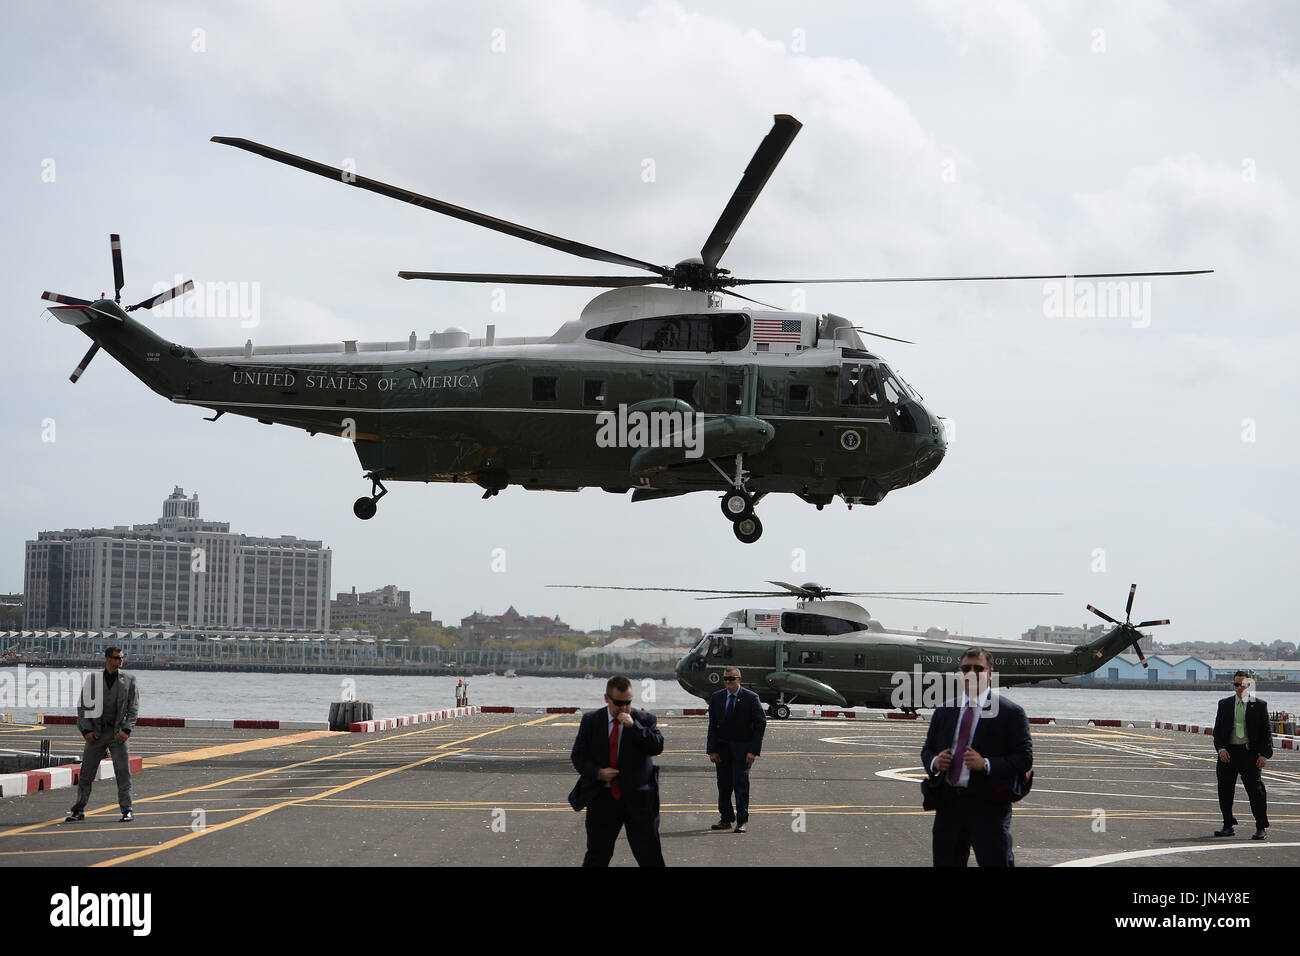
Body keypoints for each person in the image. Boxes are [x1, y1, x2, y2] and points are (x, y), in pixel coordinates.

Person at [920, 647, 1033, 867]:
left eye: (978, 669)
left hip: (988, 806)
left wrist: (986, 764)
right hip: (949, 805)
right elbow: (927, 750)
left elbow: (1024, 758)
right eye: (966, 668)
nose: (971, 673)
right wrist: (935, 762)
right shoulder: (944, 711)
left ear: (990, 673)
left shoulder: (1010, 713)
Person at [569, 675, 665, 866]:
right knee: (597, 854)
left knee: (649, 855)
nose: (623, 708)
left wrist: (634, 727)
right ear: (607, 699)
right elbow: (578, 756)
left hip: (638, 800)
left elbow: (657, 747)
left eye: (628, 702)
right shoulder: (591, 721)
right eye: (618, 703)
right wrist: (598, 772)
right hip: (603, 799)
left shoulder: (644, 719)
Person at [65, 646, 139, 823]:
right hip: (96, 733)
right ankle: (79, 809)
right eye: (117, 657)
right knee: (86, 773)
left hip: (118, 733)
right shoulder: (93, 679)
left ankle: (127, 809)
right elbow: (83, 707)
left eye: (122, 657)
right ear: (107, 658)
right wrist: (86, 731)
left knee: (123, 772)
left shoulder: (129, 680)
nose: (121, 660)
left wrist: (127, 730)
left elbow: (133, 708)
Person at [1212, 671, 1272, 839]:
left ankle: (1261, 827)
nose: (1238, 688)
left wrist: (1264, 755)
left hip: (1249, 754)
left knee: (1256, 791)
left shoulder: (1259, 705)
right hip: (1228, 754)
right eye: (1235, 685)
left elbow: (1266, 733)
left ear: (1248, 685)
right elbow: (1217, 732)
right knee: (1224, 791)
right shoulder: (1224, 704)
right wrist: (1221, 749)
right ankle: (1227, 824)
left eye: (1241, 685)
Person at [706, 666, 766, 833]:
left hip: (743, 750)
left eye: (731, 679)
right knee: (723, 786)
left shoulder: (751, 698)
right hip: (722, 750)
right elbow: (712, 726)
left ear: (739, 679)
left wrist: (753, 751)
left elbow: (760, 724)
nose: (727, 682)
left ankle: (742, 821)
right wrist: (711, 750)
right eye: (725, 679)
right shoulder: (717, 698)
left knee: (741, 785)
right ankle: (726, 818)